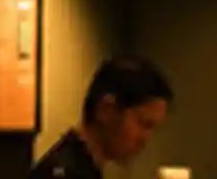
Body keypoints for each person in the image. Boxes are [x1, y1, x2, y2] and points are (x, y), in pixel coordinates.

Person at [31, 56, 174, 179]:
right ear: (106, 109)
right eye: (143, 124)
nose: (145, 139)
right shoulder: (65, 173)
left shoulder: (81, 166)